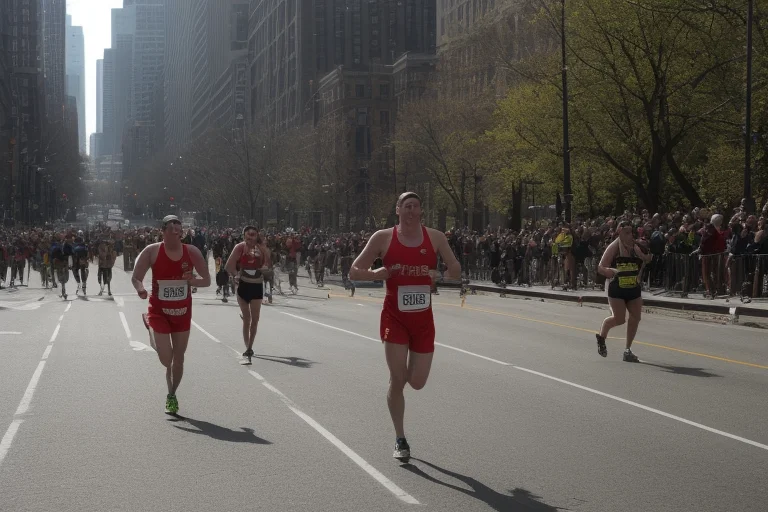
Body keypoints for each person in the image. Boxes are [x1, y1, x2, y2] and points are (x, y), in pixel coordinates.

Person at [350, 191, 461, 462]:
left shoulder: (434, 237)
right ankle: (400, 438)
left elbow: (455, 269)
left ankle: (403, 385)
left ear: (421, 212)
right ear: (398, 209)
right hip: (394, 317)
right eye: (407, 206)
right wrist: (376, 273)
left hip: (423, 319)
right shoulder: (383, 237)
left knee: (418, 382)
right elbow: (354, 271)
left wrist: (441, 274)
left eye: (416, 207)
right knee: (397, 379)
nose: (412, 211)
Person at [132, 215, 211, 414]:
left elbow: (207, 280)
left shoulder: (191, 252)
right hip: (158, 311)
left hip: (182, 313)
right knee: (166, 359)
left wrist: (192, 280)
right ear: (163, 230)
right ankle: (150, 325)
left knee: (179, 359)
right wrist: (141, 289)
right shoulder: (152, 251)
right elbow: (136, 277)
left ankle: (172, 394)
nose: (176, 229)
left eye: (179, 226)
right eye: (171, 226)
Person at [595, 221, 652, 362]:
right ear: (619, 232)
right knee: (619, 319)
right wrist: (610, 271)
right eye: (626, 232)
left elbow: (644, 259)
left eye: (631, 232)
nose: (630, 235)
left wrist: (647, 257)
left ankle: (627, 350)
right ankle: (601, 337)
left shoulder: (634, 246)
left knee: (636, 317)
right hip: (617, 288)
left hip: (633, 287)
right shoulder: (614, 247)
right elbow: (600, 267)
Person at [225, 226, 271, 364]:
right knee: (247, 318)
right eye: (248, 235)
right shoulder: (240, 247)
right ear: (244, 236)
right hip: (243, 285)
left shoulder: (262, 249)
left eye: (253, 235)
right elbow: (229, 266)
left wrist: (265, 269)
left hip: (257, 285)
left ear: (257, 235)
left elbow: (269, 267)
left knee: (255, 319)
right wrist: (235, 275)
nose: (251, 238)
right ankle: (247, 346)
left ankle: (250, 346)